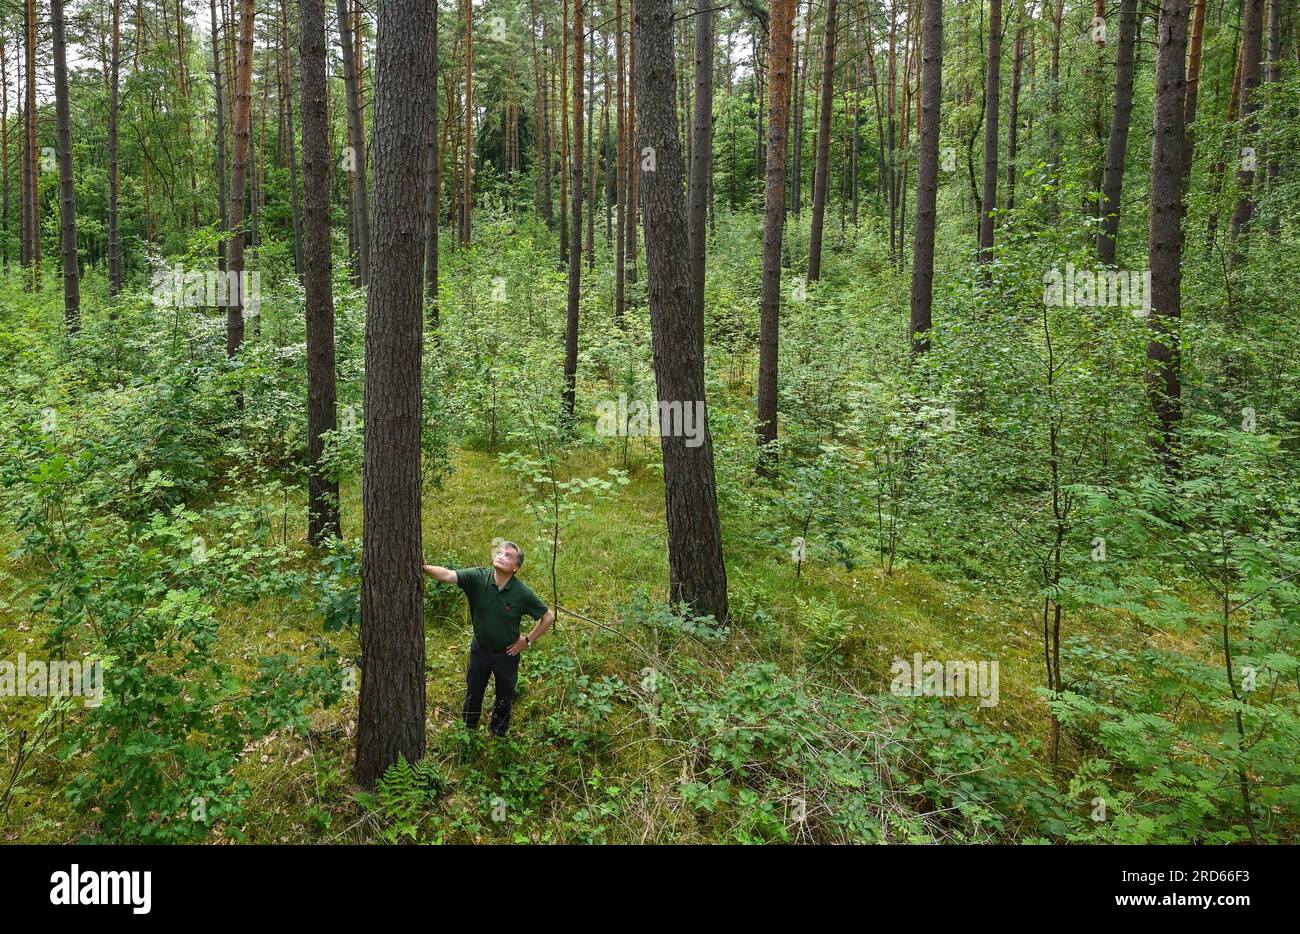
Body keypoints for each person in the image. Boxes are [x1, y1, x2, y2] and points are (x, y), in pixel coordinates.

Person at [422, 541, 555, 737]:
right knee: (474, 692)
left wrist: (526, 641)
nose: (501, 555)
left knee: (504, 698)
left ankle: (498, 735)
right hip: (480, 650)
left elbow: (548, 617)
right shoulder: (478, 577)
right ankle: (468, 733)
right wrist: (424, 568)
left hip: (507, 655)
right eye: (500, 552)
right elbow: (448, 575)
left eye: (508, 555)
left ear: (516, 568)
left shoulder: (522, 593)